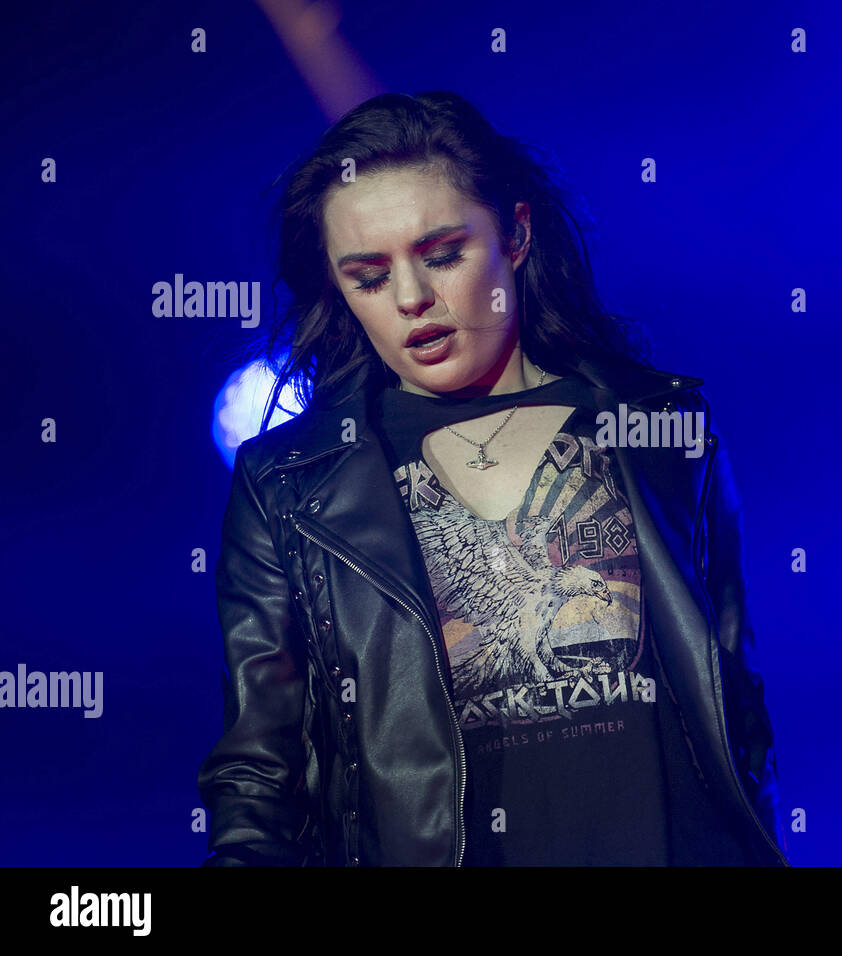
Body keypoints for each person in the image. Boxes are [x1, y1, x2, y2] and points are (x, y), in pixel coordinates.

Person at [196, 90, 789, 866]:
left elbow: (737, 704)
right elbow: (257, 773)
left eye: (442, 254)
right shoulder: (290, 485)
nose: (412, 298)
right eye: (369, 276)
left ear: (515, 232)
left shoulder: (660, 426)